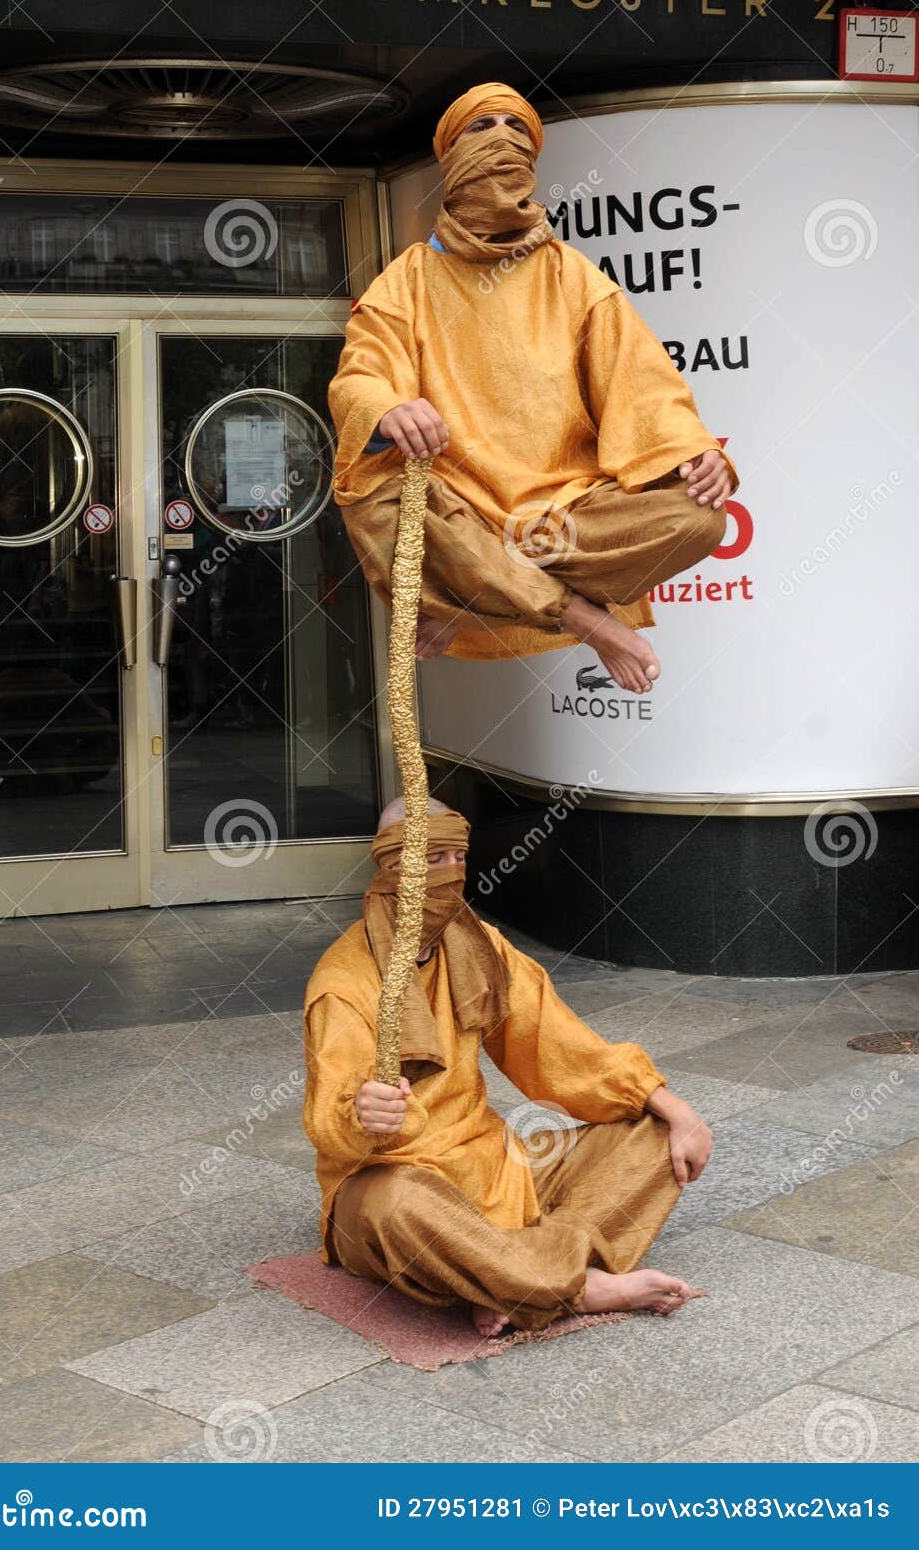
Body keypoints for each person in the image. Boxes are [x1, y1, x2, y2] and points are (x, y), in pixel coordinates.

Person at [328, 81, 740, 691]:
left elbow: (643, 378)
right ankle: (588, 623)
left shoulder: (571, 274)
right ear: (450, 156)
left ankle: (466, 600)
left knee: (701, 521)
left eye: (517, 129)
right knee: (378, 505)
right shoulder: (407, 279)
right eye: (481, 127)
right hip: (455, 506)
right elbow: (360, 373)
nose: (502, 140)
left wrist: (694, 450)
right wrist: (387, 409)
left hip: (559, 522)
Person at [302, 797, 712, 1336]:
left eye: (456, 857)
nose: (449, 874)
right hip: (392, 1179)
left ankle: (506, 1280)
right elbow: (329, 1117)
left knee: (657, 1137)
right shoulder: (344, 981)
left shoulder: (480, 947)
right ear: (391, 868)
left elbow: (560, 1049)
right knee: (395, 1204)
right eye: (430, 859)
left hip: (494, 1170)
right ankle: (579, 1286)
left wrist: (675, 1109)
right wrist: (361, 1112)